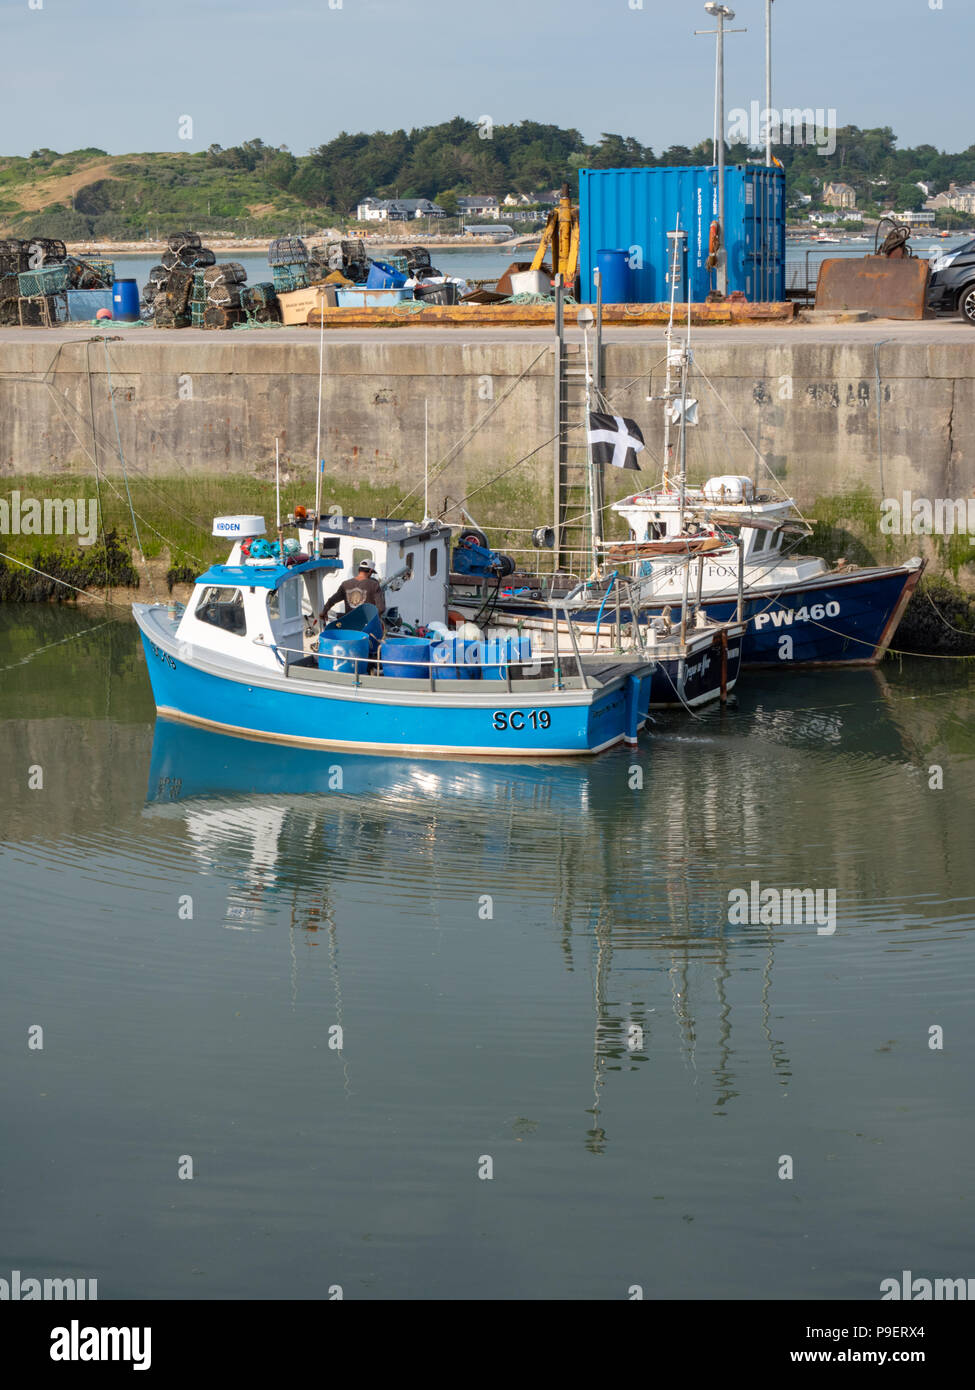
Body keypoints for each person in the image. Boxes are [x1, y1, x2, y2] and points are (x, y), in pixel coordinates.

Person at [320, 559, 385, 622]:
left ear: (359, 569)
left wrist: (324, 612)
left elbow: (332, 600)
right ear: (370, 571)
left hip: (349, 623)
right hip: (366, 624)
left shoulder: (345, 584)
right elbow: (381, 609)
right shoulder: (374, 585)